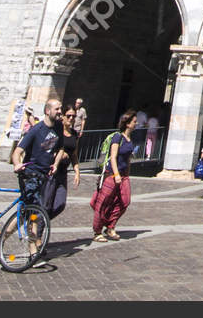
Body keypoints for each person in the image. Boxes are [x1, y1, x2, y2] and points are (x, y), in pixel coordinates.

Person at [11, 98, 63, 232]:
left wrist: (55, 164)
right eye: (57, 109)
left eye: (60, 108)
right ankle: (33, 245)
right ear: (47, 111)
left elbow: (61, 147)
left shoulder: (58, 127)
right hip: (31, 175)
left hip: (44, 176)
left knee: (29, 212)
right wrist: (17, 164)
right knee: (33, 211)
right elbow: (17, 152)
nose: (60, 112)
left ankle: (0, 239)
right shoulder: (36, 130)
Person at [91, 110, 138, 241]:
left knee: (125, 201)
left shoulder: (129, 140)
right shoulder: (118, 137)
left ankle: (110, 225)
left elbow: (127, 159)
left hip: (124, 175)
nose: (136, 123)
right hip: (112, 173)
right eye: (134, 121)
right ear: (127, 123)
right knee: (103, 202)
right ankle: (97, 231)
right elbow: (113, 157)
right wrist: (116, 174)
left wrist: (126, 174)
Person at [42, 102, 81, 221]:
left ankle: (41, 223)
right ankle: (37, 231)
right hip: (51, 171)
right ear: (63, 116)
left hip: (63, 173)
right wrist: (58, 153)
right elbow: (45, 149)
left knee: (60, 204)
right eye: (68, 115)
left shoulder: (74, 134)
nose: (71, 118)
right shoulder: (56, 131)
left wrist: (77, 171)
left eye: (74, 116)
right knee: (46, 204)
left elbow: (74, 154)